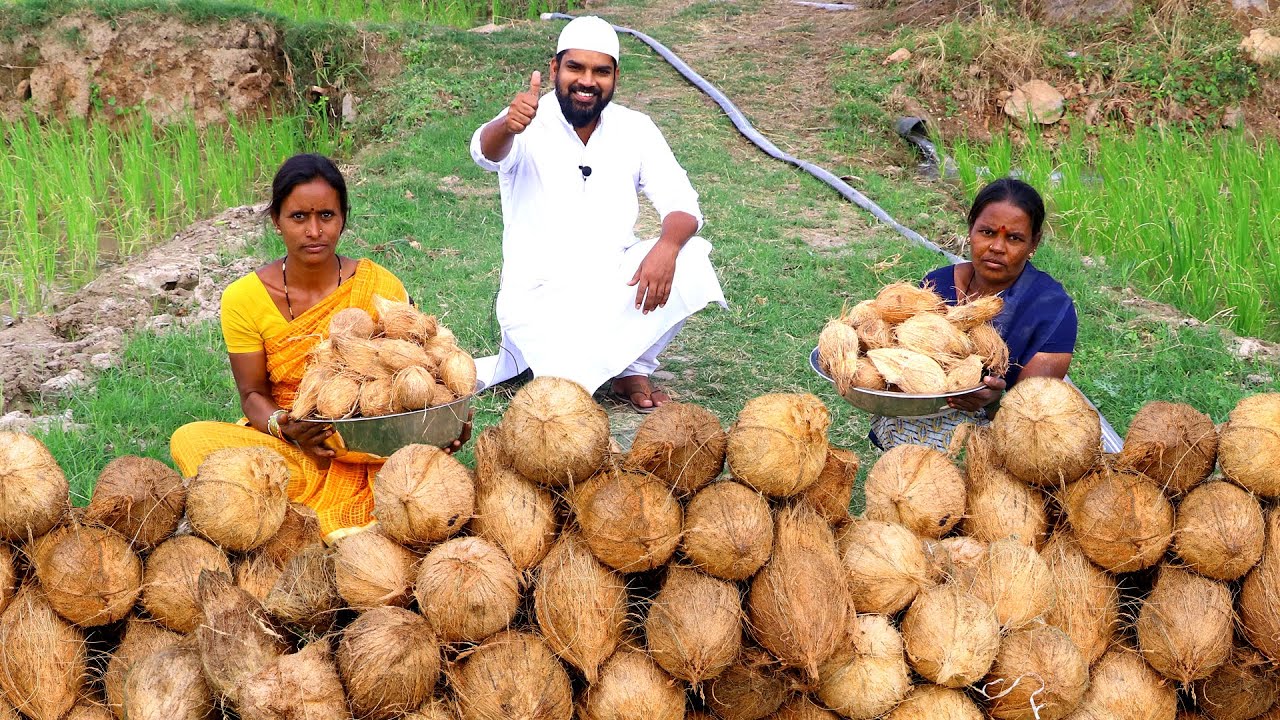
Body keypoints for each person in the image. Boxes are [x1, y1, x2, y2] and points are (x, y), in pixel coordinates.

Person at [170, 153, 468, 544]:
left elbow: (420, 366)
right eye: (299, 217)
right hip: (296, 445)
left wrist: (445, 418)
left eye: (326, 216)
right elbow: (252, 394)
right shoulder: (243, 298)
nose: (314, 230)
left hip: (369, 447)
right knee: (190, 439)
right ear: (276, 220)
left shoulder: (379, 287)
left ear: (342, 217)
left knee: (408, 491)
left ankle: (296, 512)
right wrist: (285, 426)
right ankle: (296, 501)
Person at [469, 15, 726, 413]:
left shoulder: (634, 128)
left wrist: (667, 246)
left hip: (610, 287)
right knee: (563, 397)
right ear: (555, 69)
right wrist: (508, 124)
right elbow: (486, 151)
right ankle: (586, 368)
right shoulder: (526, 120)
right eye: (575, 67)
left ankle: (631, 370)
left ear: (615, 77)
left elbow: (683, 204)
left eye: (600, 71)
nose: (587, 81)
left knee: (691, 259)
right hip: (539, 305)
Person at [870, 177, 1077, 451]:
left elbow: (1033, 415)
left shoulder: (1052, 309)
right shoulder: (936, 286)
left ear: (1033, 243)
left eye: (1014, 238)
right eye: (987, 232)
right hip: (918, 414)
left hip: (1004, 436)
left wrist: (993, 401)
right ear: (971, 229)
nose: (997, 247)